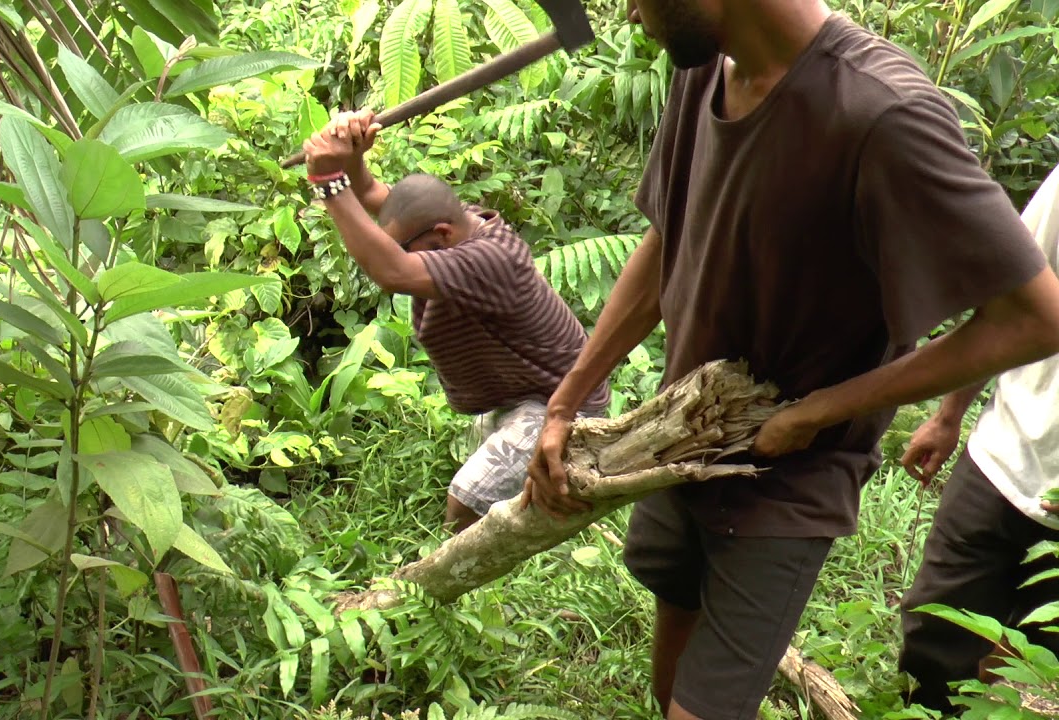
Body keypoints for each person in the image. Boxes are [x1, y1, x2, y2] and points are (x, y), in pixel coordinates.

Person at [521, 2, 1059, 719]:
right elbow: (666, 240)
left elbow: (1035, 319)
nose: (628, 11)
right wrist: (567, 400)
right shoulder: (707, 62)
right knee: (669, 679)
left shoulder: (881, 112)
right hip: (680, 439)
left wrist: (820, 413)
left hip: (787, 479)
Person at [300, 111, 609, 533]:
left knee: (466, 501)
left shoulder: (489, 260)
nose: (410, 255)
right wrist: (351, 158)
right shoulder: (458, 227)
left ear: (442, 234)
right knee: (507, 493)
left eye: (411, 248)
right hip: (516, 392)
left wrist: (327, 182)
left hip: (558, 401)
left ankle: (453, 583)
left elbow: (393, 271)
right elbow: (372, 192)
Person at [897, 164, 1059, 714]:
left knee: (1040, 677)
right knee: (932, 640)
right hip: (1001, 457)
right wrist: (948, 416)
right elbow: (1005, 304)